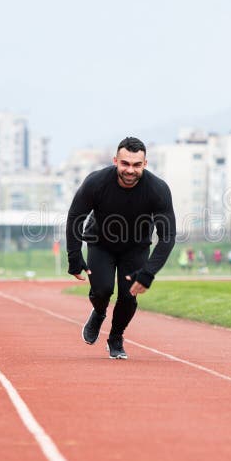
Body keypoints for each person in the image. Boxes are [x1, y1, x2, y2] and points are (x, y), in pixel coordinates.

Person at [67, 137, 176, 360]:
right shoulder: (96, 182)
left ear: (145, 164)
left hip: (135, 247)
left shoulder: (158, 189)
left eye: (136, 165)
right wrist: (74, 257)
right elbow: (75, 217)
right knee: (102, 290)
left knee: (128, 296)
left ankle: (116, 337)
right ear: (115, 160)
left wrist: (148, 273)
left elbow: (168, 237)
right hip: (100, 243)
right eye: (125, 163)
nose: (130, 170)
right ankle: (98, 312)